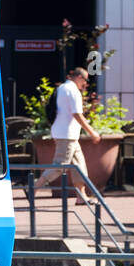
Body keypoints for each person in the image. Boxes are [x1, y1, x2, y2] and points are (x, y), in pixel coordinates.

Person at [31, 67, 100, 205]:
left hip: (66, 133)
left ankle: (81, 197)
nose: (85, 84)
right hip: (67, 134)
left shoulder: (62, 87)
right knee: (59, 166)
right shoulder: (73, 91)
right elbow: (77, 114)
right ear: (79, 77)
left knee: (79, 166)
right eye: (85, 80)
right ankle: (33, 189)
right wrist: (91, 131)